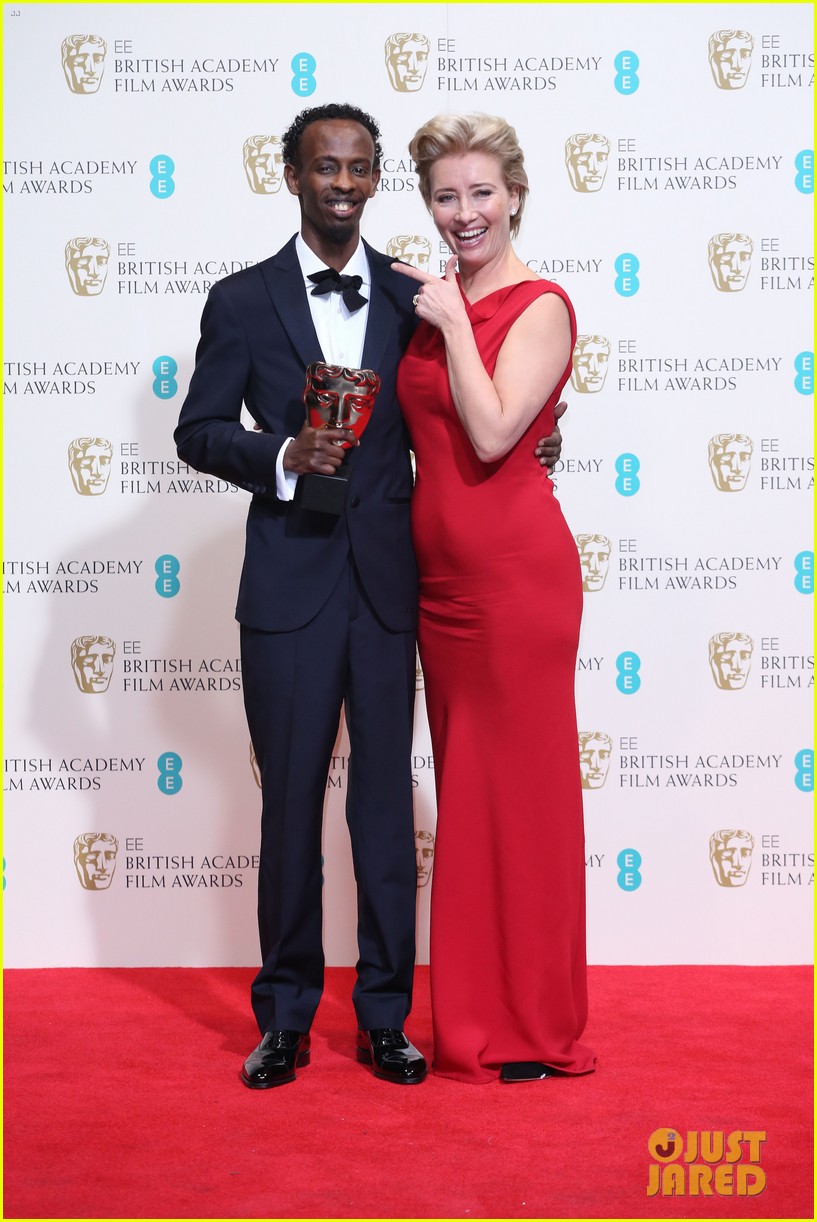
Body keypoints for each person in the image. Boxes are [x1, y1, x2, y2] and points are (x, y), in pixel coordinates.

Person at [174, 102, 565, 1091]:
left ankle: (386, 1017)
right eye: (324, 166)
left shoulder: (415, 294)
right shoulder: (240, 299)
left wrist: (541, 436)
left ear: (377, 179)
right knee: (289, 811)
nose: (342, 183)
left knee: (386, 812)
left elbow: (467, 409)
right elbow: (198, 430)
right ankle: (284, 1019)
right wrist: (282, 456)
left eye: (358, 168)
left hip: (395, 588)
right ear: (292, 175)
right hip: (288, 587)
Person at [393, 113, 596, 1084]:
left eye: (481, 192)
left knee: (524, 800)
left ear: (514, 195)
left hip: (515, 583)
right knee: (471, 799)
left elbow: (489, 432)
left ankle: (532, 1024)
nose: (464, 211)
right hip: (440, 587)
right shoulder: (436, 299)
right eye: (446, 195)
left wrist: (448, 325)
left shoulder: (538, 304)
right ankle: (475, 1017)